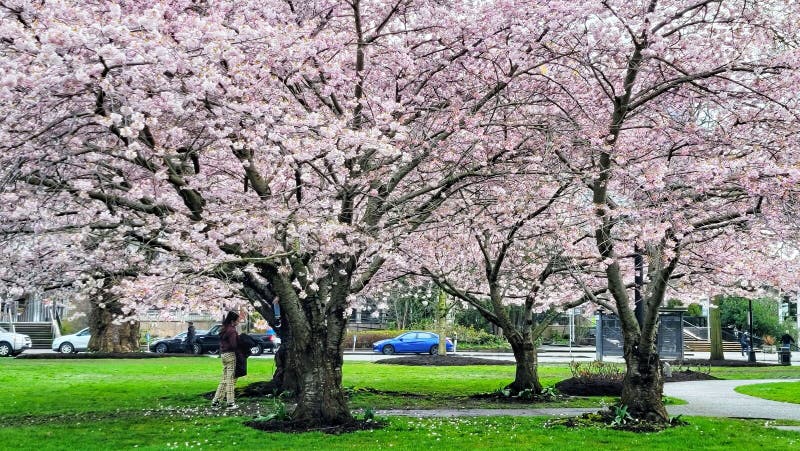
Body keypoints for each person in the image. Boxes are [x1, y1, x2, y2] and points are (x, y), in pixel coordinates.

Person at [211, 311, 241, 409]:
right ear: (233, 321)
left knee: (224, 379)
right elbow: (234, 345)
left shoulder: (224, 329)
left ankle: (216, 401)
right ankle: (230, 403)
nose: (238, 322)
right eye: (237, 320)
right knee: (230, 380)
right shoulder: (232, 330)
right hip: (231, 355)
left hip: (224, 355)